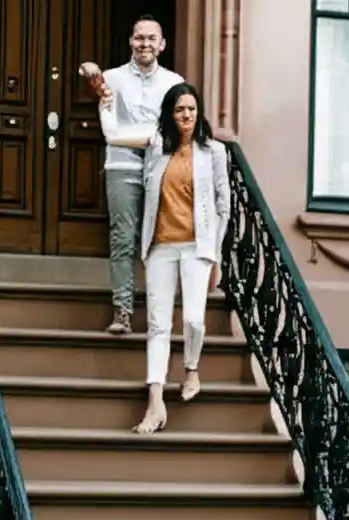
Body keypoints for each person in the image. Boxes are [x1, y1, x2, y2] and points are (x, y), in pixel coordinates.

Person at [96, 82, 230, 434]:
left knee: (194, 319)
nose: (186, 115)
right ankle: (155, 403)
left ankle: (191, 370)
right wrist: (106, 101)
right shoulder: (157, 145)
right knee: (158, 326)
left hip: (198, 248)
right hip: (160, 248)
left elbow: (224, 206)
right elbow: (113, 135)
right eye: (179, 109)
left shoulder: (214, 152)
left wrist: (216, 255)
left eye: (191, 109)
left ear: (198, 112)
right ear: (171, 114)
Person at [78, 15, 184, 335]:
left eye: (151, 38)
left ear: (162, 45)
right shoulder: (113, 78)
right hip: (121, 166)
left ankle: (159, 313)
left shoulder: (174, 83)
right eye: (139, 37)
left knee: (160, 241)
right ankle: (122, 311)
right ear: (130, 42)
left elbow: (175, 126)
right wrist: (90, 70)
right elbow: (88, 73)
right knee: (122, 238)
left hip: (160, 168)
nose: (145, 44)